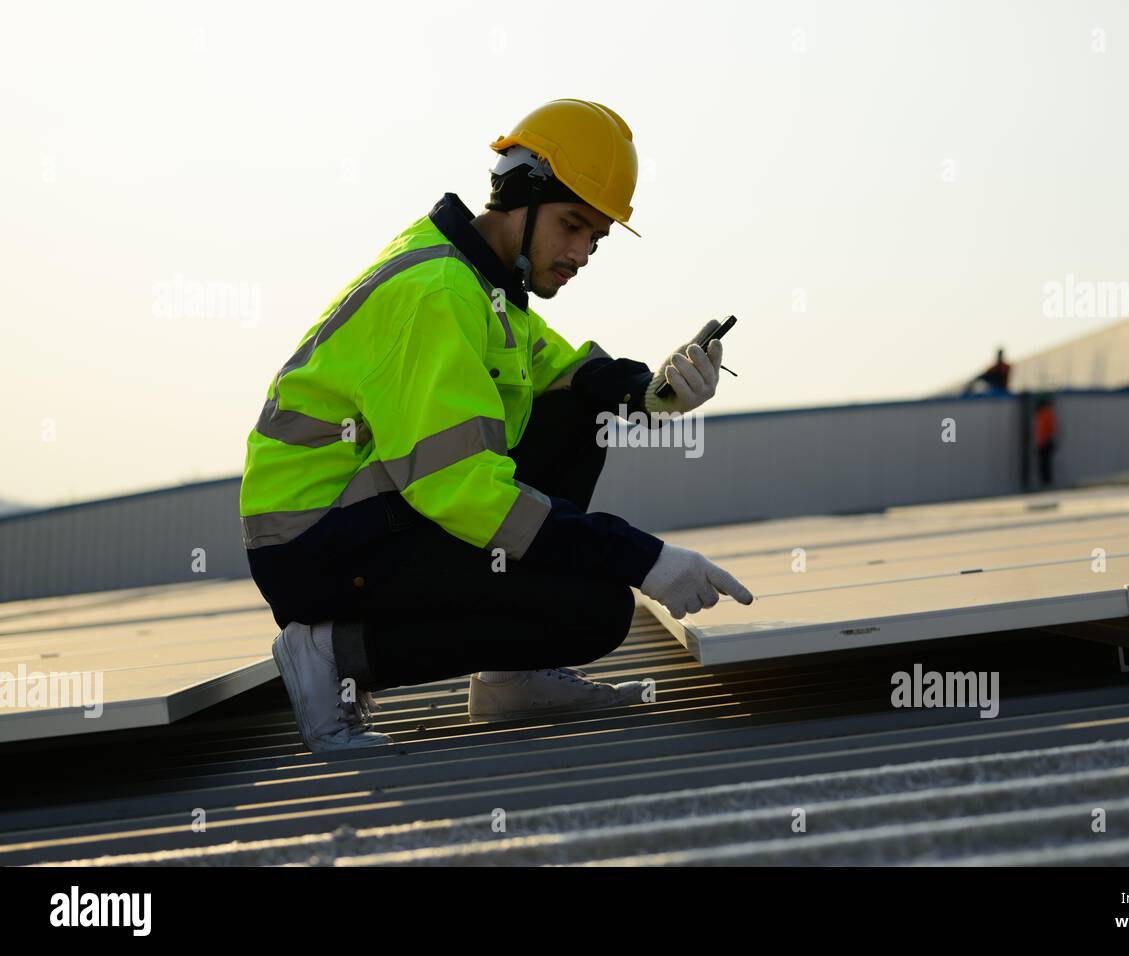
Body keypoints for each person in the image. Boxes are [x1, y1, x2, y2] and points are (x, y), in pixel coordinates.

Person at [239, 99, 754, 752]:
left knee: (577, 414)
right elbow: (462, 489)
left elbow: (569, 377)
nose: (582, 253)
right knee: (593, 608)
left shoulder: (489, 293)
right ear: (520, 197)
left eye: (595, 237)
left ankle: (512, 680)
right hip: (316, 544)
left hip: (368, 516)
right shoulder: (438, 293)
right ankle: (331, 654)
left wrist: (656, 394)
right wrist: (640, 556)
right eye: (572, 225)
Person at [1034, 396, 1058, 486]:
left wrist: (1044, 441)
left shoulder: (1045, 413)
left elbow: (1047, 429)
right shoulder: (1044, 413)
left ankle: (1046, 482)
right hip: (1044, 442)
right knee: (1044, 463)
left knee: (1045, 463)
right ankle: (1045, 481)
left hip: (1045, 442)